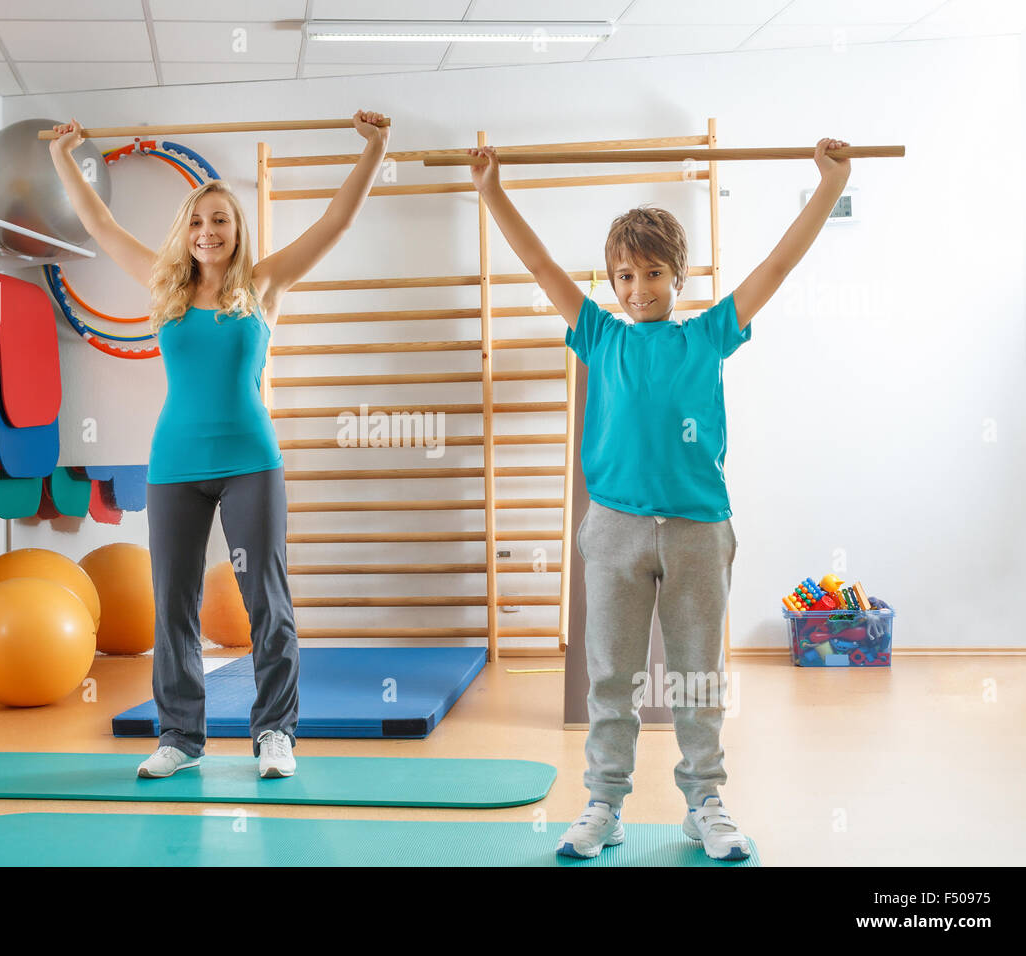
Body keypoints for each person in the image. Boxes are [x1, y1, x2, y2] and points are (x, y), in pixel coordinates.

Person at [468, 137, 852, 861]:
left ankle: (704, 801)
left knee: (697, 677)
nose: (639, 288)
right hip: (614, 528)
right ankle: (604, 804)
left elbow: (776, 266)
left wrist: (830, 187)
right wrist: (491, 191)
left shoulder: (707, 335)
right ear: (611, 282)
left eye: (652, 273)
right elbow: (540, 264)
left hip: (698, 530)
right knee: (610, 678)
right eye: (625, 275)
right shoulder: (597, 334)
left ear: (678, 275)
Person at [49, 110, 391, 780]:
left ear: (237, 231)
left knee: (267, 601)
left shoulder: (262, 284)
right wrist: (65, 156)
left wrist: (375, 150)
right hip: (174, 464)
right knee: (173, 604)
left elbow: (335, 223)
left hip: (250, 463)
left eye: (221, 221)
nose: (208, 231)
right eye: (198, 221)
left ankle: (275, 734)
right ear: (186, 232)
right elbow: (100, 224)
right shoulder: (165, 286)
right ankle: (180, 736)